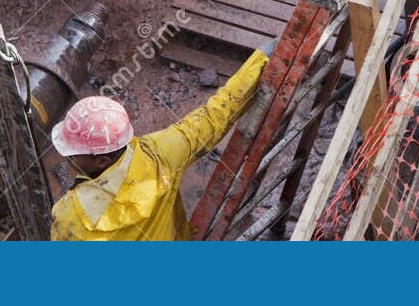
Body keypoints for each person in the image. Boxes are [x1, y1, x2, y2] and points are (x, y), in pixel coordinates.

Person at [48, 48, 266, 240]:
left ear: (102, 161)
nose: (67, 158)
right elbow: (213, 117)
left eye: (74, 154)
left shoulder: (71, 219)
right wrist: (260, 62)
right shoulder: (159, 155)